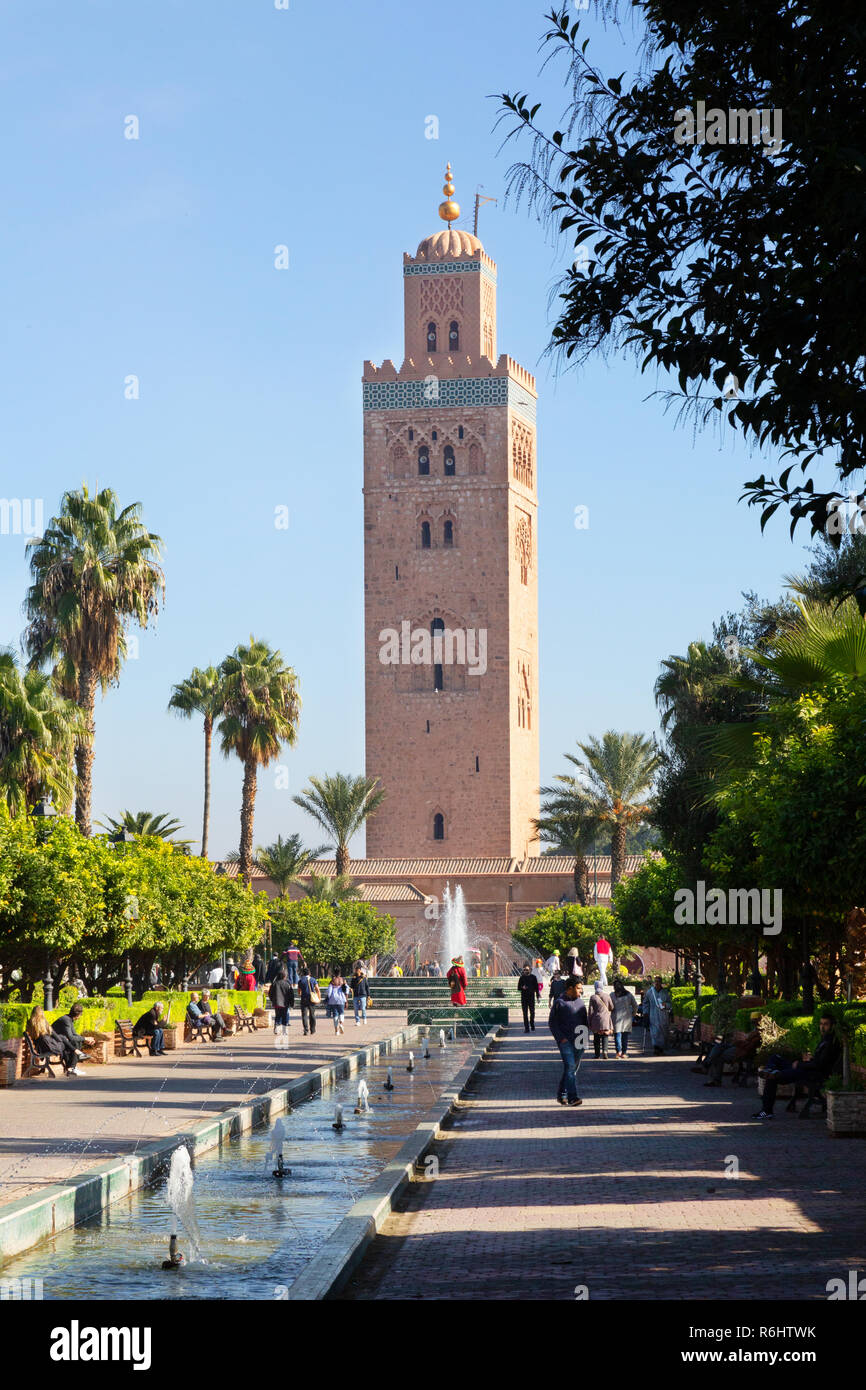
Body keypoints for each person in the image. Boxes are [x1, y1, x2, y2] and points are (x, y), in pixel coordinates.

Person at [753, 1013, 841, 1119]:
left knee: (773, 1077)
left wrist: (800, 1064)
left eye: (826, 1024)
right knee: (775, 1058)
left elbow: (820, 1065)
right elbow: (818, 1060)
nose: (822, 1027)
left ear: (832, 1026)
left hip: (812, 1074)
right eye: (821, 1024)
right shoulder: (824, 1040)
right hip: (806, 1067)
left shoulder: (831, 1042)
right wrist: (807, 1060)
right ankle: (770, 1070)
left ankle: (767, 1110)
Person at [548, 977, 588, 1106]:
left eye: (581, 988)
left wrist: (585, 1040)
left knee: (571, 1069)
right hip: (565, 1042)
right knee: (570, 1067)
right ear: (570, 988)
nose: (580, 991)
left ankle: (562, 1094)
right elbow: (552, 1023)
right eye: (578, 988)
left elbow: (584, 1022)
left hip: (579, 1041)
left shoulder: (581, 1003)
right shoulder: (559, 1002)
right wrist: (561, 1038)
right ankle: (573, 1097)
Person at [27, 1005, 80, 1075]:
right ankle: (70, 1066)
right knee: (64, 1040)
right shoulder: (44, 1022)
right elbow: (55, 1035)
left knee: (64, 1040)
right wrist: (60, 1040)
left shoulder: (30, 1022)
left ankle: (71, 1064)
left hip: (41, 1047)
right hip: (49, 1047)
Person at [52, 1002, 96, 1070]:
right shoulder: (66, 1020)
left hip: (60, 1040)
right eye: (81, 1014)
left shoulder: (69, 1019)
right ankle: (71, 1068)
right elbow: (71, 1037)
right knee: (75, 1042)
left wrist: (85, 1040)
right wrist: (85, 1038)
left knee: (78, 1041)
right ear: (78, 1015)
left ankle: (72, 1067)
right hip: (54, 1042)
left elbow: (74, 1034)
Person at [643, 975, 673, 1054]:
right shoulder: (650, 992)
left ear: (661, 983)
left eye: (658, 981)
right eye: (655, 981)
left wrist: (665, 1005)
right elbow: (645, 1003)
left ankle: (661, 1048)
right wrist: (645, 1013)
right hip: (653, 1015)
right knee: (655, 1032)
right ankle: (656, 1048)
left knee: (663, 1032)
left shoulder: (665, 993)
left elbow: (670, 1004)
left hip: (663, 1016)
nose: (657, 983)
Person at [588, 982, 615, 1059]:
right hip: (606, 1019)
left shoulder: (593, 997)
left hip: (596, 1019)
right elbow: (611, 1007)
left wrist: (589, 1021)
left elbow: (590, 1011)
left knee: (596, 1037)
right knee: (605, 1036)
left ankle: (597, 1054)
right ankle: (605, 1051)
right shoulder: (607, 996)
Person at [611, 979, 637, 1057]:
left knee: (617, 1035)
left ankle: (618, 1052)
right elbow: (635, 1005)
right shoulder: (628, 994)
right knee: (625, 1036)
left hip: (616, 1018)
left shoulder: (612, 995)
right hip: (627, 1018)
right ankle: (624, 1053)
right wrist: (633, 1014)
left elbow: (609, 1006)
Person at [269, 967, 294, 1044]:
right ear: (284, 976)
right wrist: (291, 1003)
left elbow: (270, 993)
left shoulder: (274, 984)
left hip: (277, 1003)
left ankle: (276, 1027)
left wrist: (273, 1000)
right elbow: (291, 994)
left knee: (277, 1015)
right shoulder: (287, 984)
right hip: (285, 1003)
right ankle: (284, 1031)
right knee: (284, 1016)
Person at [297, 966, 319, 1035]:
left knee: (304, 1015)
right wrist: (318, 997)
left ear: (303, 973)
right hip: (312, 999)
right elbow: (317, 989)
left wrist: (301, 994)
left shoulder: (300, 980)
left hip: (304, 998)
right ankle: (313, 1030)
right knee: (312, 1014)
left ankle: (306, 1030)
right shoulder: (313, 979)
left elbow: (299, 991)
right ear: (309, 973)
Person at [517, 964, 538, 1032]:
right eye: (525, 970)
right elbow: (518, 988)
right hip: (524, 998)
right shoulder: (522, 978)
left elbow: (536, 988)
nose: (526, 971)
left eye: (527, 970)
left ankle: (532, 1023)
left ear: (530, 970)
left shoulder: (533, 977)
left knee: (532, 1012)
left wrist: (537, 996)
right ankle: (526, 1028)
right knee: (525, 1013)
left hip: (531, 997)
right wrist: (522, 987)